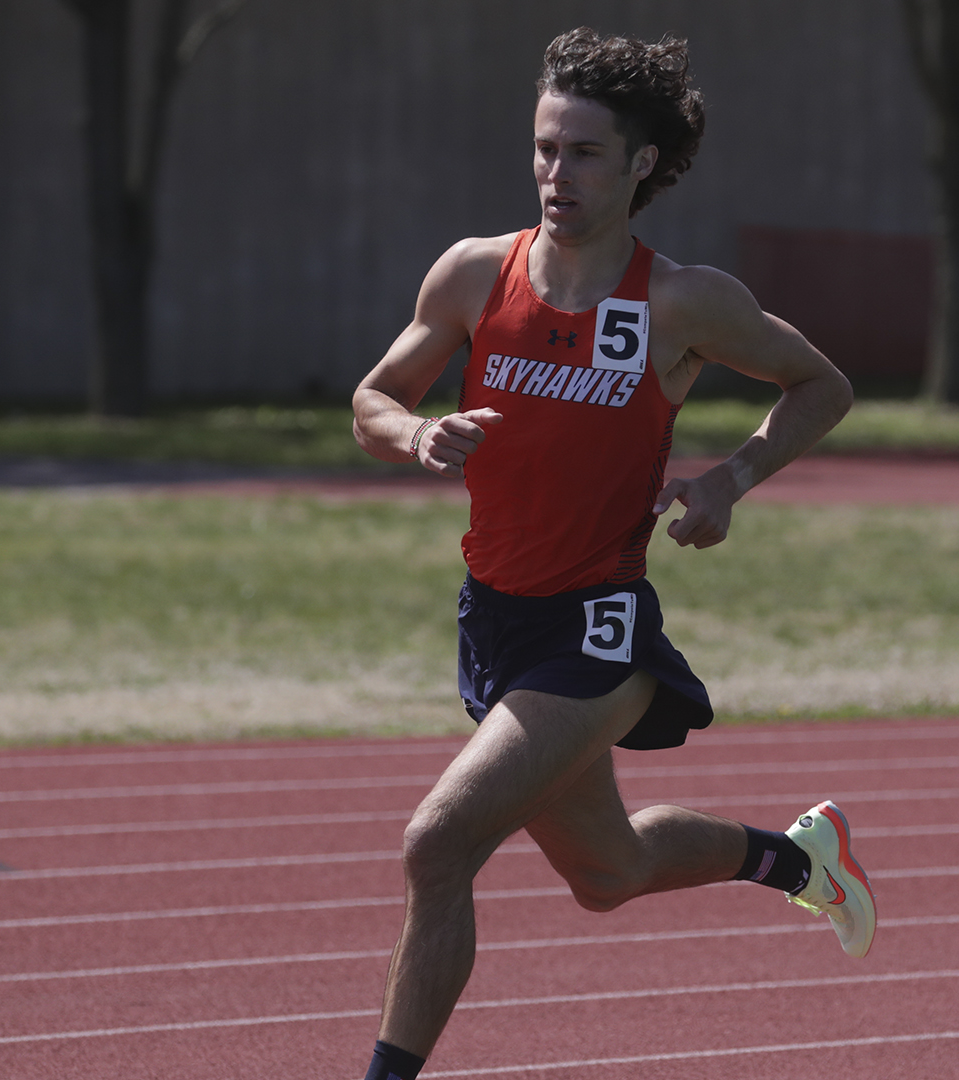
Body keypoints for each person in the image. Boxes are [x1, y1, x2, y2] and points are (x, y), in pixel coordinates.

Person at [348, 28, 869, 1080]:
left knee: (437, 846)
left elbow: (822, 384)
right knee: (609, 871)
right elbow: (373, 398)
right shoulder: (472, 275)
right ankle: (797, 859)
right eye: (545, 149)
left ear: (641, 164)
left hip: (598, 628)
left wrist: (728, 480)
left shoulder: (679, 300)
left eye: (584, 153)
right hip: (495, 617)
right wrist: (414, 435)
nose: (556, 174)